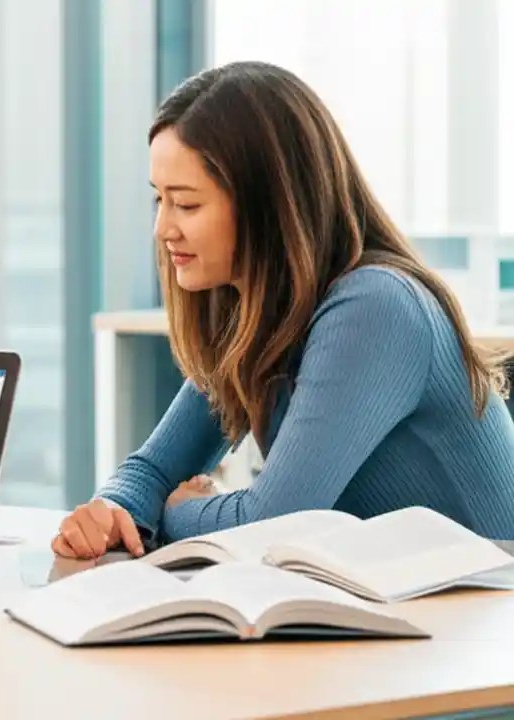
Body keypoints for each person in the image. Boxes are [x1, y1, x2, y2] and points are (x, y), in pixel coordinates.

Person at [53, 61, 514, 560]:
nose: (164, 228)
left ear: (267, 205)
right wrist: (112, 512)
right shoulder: (253, 314)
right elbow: (153, 470)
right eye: (158, 200)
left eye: (186, 205)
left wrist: (178, 512)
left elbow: (271, 524)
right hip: (405, 611)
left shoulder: (375, 308)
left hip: (487, 617)